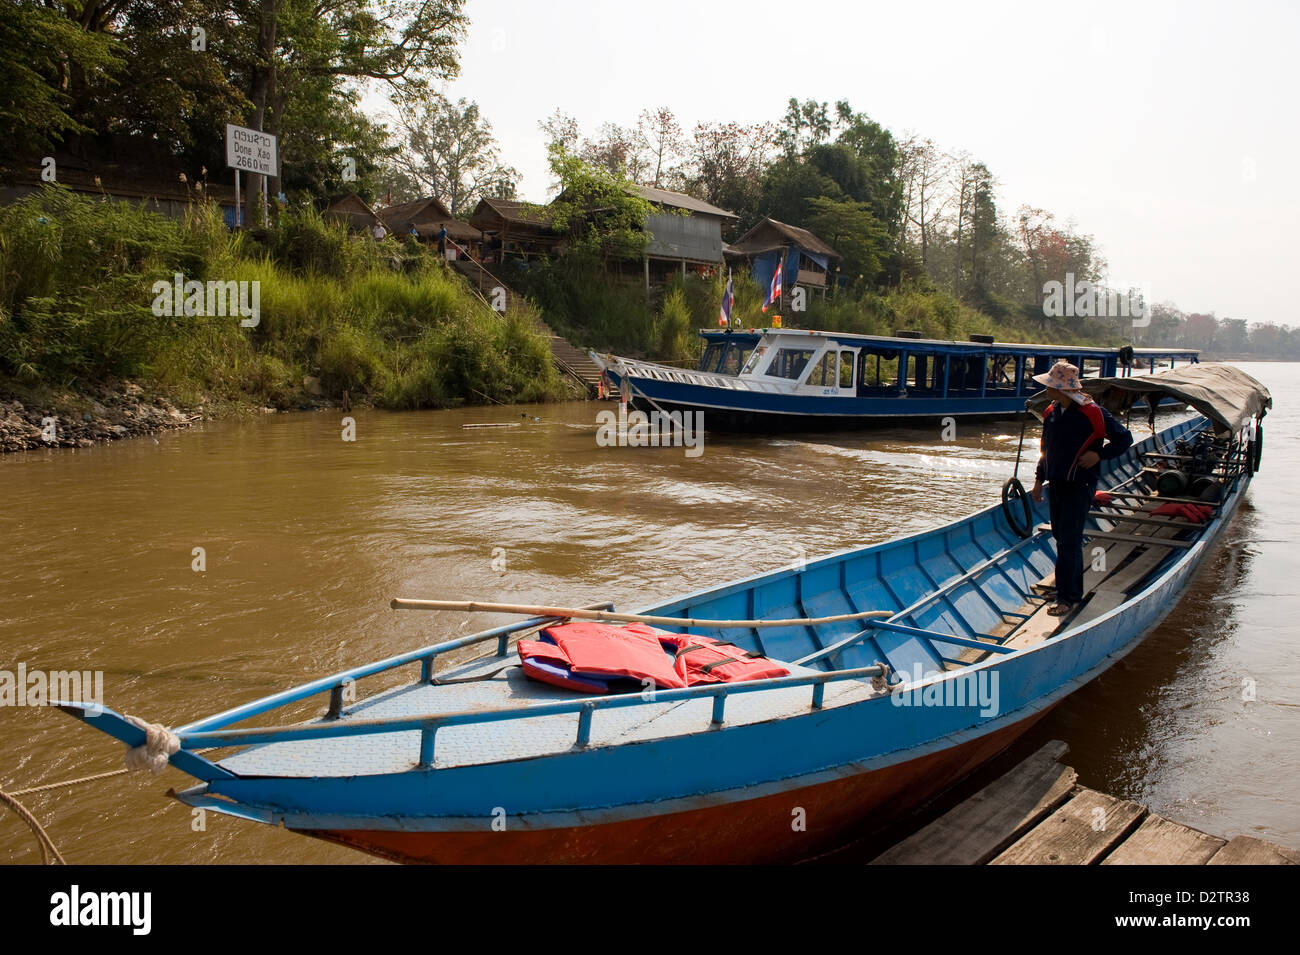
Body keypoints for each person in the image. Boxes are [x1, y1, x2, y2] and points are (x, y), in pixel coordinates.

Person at [1030, 361, 1132, 617]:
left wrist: (1100, 455)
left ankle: (1069, 598)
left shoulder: (1092, 413)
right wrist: (1038, 480)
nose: (1047, 391)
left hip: (1080, 485)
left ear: (1062, 389)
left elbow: (1124, 439)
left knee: (1070, 542)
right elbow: (1046, 450)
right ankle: (1065, 587)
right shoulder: (1052, 412)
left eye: (1050, 387)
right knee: (1060, 536)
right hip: (1057, 484)